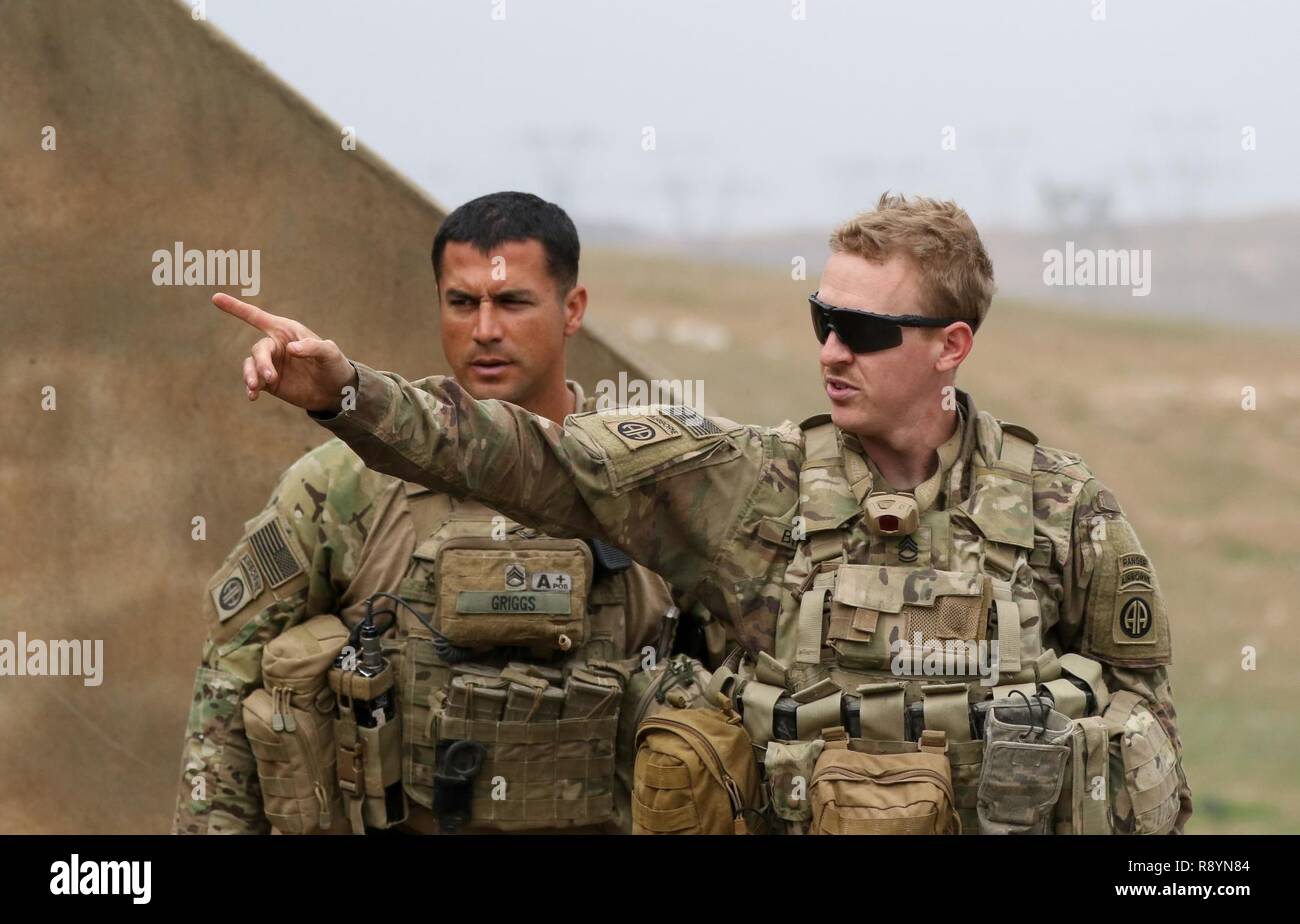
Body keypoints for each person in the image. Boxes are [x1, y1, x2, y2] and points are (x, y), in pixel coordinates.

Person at [216, 193, 1191, 834]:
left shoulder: (1065, 515)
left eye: (861, 329)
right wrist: (345, 391)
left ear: (950, 346)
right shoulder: (749, 485)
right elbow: (523, 454)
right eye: (821, 320)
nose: (830, 352)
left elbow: (1147, 736)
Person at [175, 191, 699, 835]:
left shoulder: (650, 488)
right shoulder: (340, 491)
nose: (484, 329)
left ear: (573, 310)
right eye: (461, 302)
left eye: (511, 302)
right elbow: (226, 693)